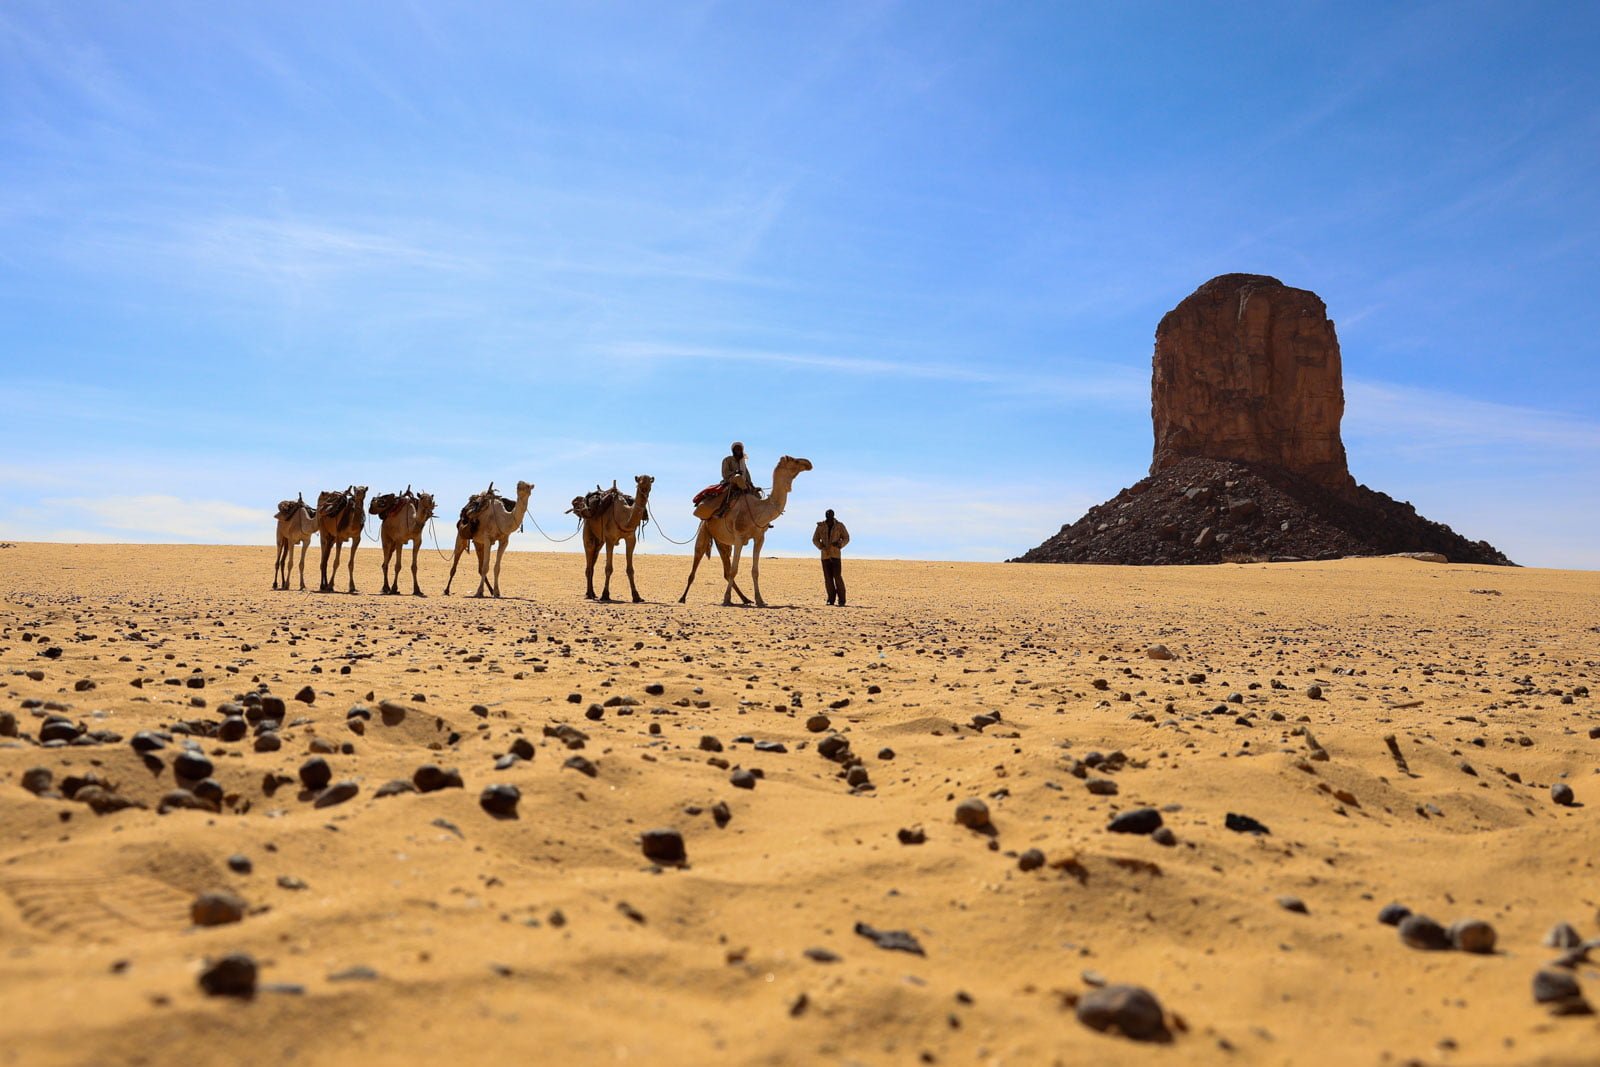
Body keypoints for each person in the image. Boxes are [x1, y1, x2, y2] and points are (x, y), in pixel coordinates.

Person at [812, 508, 850, 606]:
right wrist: (821, 546)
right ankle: (831, 599)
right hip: (825, 555)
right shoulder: (820, 526)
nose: (829, 516)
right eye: (827, 515)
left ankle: (842, 600)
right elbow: (815, 539)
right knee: (828, 578)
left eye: (831, 515)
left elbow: (846, 537)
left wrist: (839, 544)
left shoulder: (839, 525)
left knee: (837, 577)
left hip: (835, 555)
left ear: (833, 515)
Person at [716, 441, 758, 516]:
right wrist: (735, 472)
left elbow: (747, 475)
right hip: (731, 480)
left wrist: (752, 485)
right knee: (738, 477)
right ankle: (746, 494)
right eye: (736, 449)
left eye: (739, 449)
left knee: (757, 494)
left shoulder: (742, 462)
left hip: (743, 483)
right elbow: (725, 473)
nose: (738, 450)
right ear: (733, 450)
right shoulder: (727, 460)